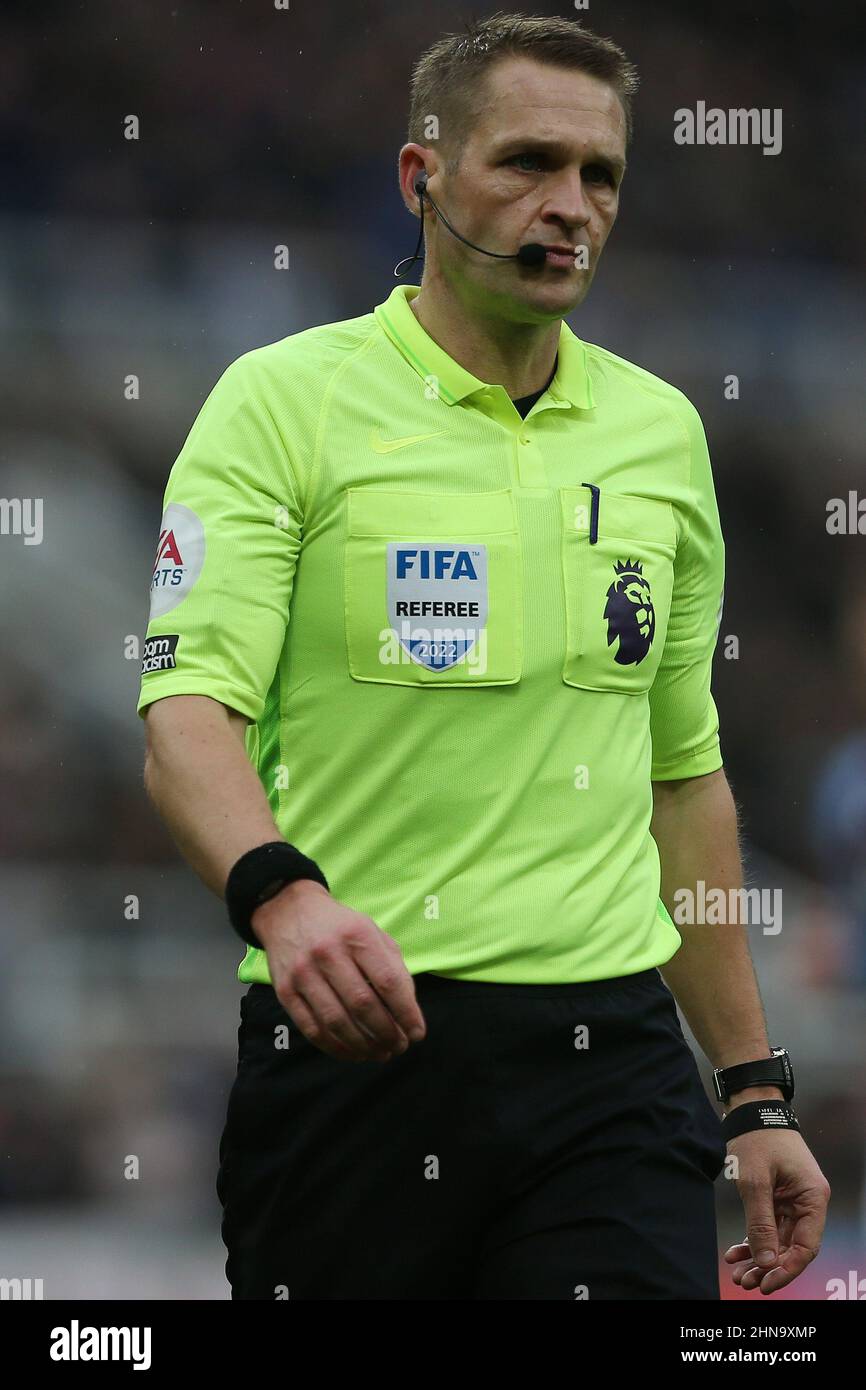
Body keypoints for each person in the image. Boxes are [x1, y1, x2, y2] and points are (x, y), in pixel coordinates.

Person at [137, 13, 829, 1299]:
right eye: (525, 163)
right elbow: (187, 712)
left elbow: (680, 780)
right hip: (357, 1040)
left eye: (599, 175)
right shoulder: (282, 402)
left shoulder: (660, 435)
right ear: (423, 178)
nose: (567, 206)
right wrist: (284, 902)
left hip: (607, 1060)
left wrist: (749, 1093)